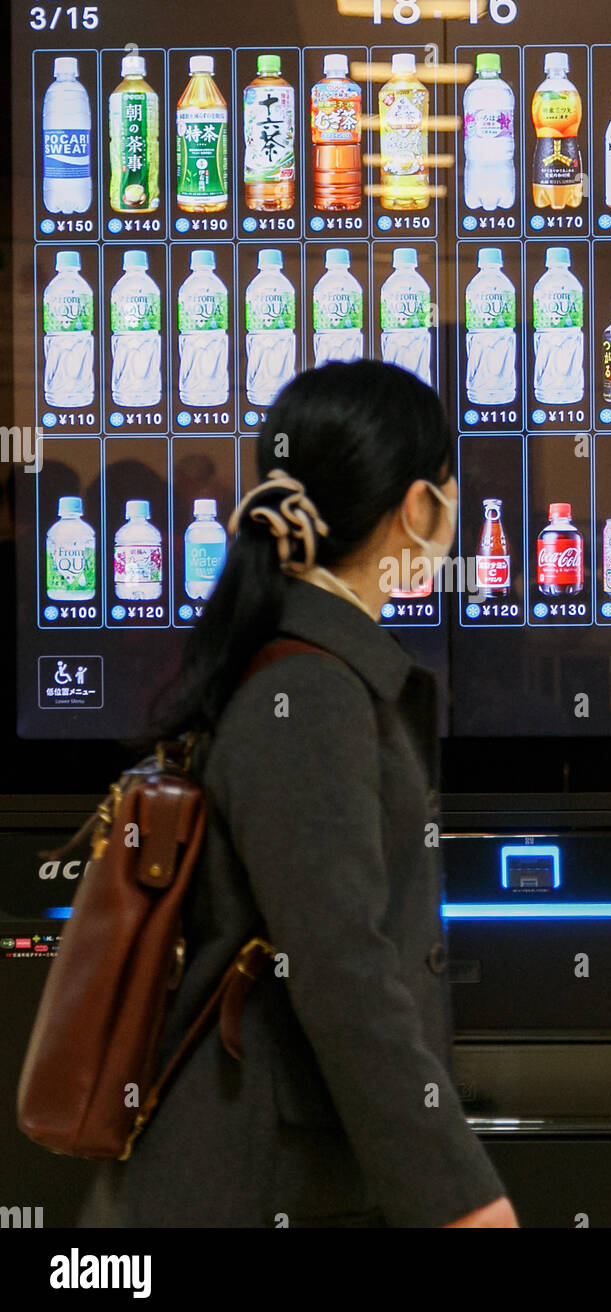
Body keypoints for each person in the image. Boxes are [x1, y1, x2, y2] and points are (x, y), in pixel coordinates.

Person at [76, 359, 518, 1229]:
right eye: (450, 490)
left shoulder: (296, 662)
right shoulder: (310, 694)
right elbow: (341, 970)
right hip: (249, 1183)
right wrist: (463, 1202)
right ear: (419, 508)